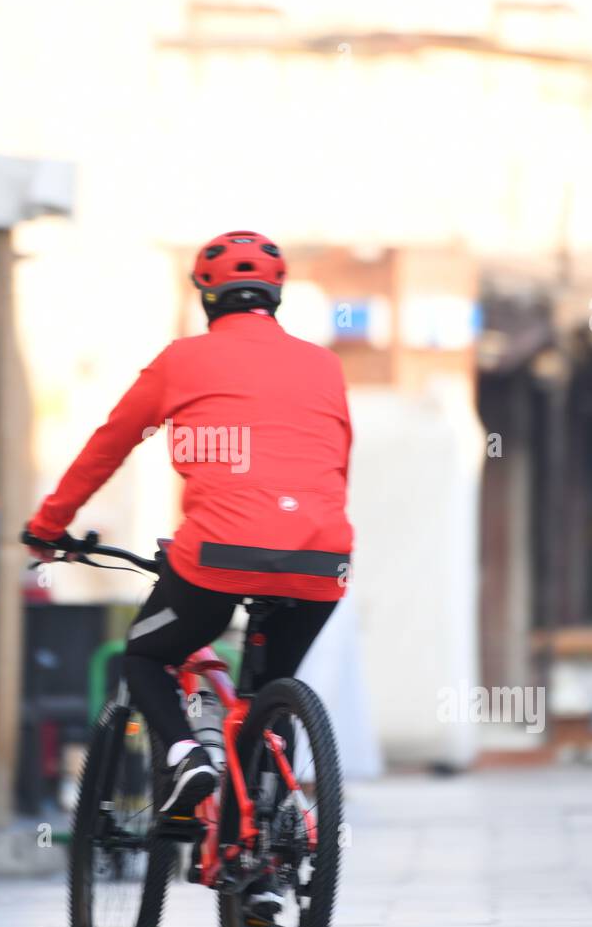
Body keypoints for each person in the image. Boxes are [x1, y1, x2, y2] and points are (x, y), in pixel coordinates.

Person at [26, 231, 354, 844]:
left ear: (207, 297)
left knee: (146, 654)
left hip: (217, 556)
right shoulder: (325, 365)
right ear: (275, 298)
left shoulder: (180, 360)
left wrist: (49, 526)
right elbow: (335, 465)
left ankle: (184, 756)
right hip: (321, 556)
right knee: (266, 695)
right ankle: (258, 856)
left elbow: (109, 445)